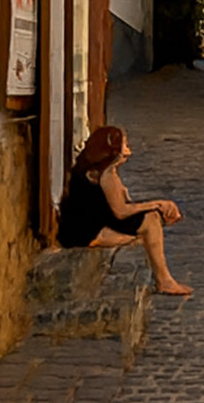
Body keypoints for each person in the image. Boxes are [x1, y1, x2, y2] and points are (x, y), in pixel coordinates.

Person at [57, 126, 192, 295]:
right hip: (87, 232)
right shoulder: (106, 175)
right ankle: (164, 281)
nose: (129, 151)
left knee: (150, 224)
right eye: (125, 146)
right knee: (151, 221)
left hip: (85, 226)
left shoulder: (94, 169)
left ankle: (163, 277)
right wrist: (157, 204)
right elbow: (121, 211)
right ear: (114, 152)